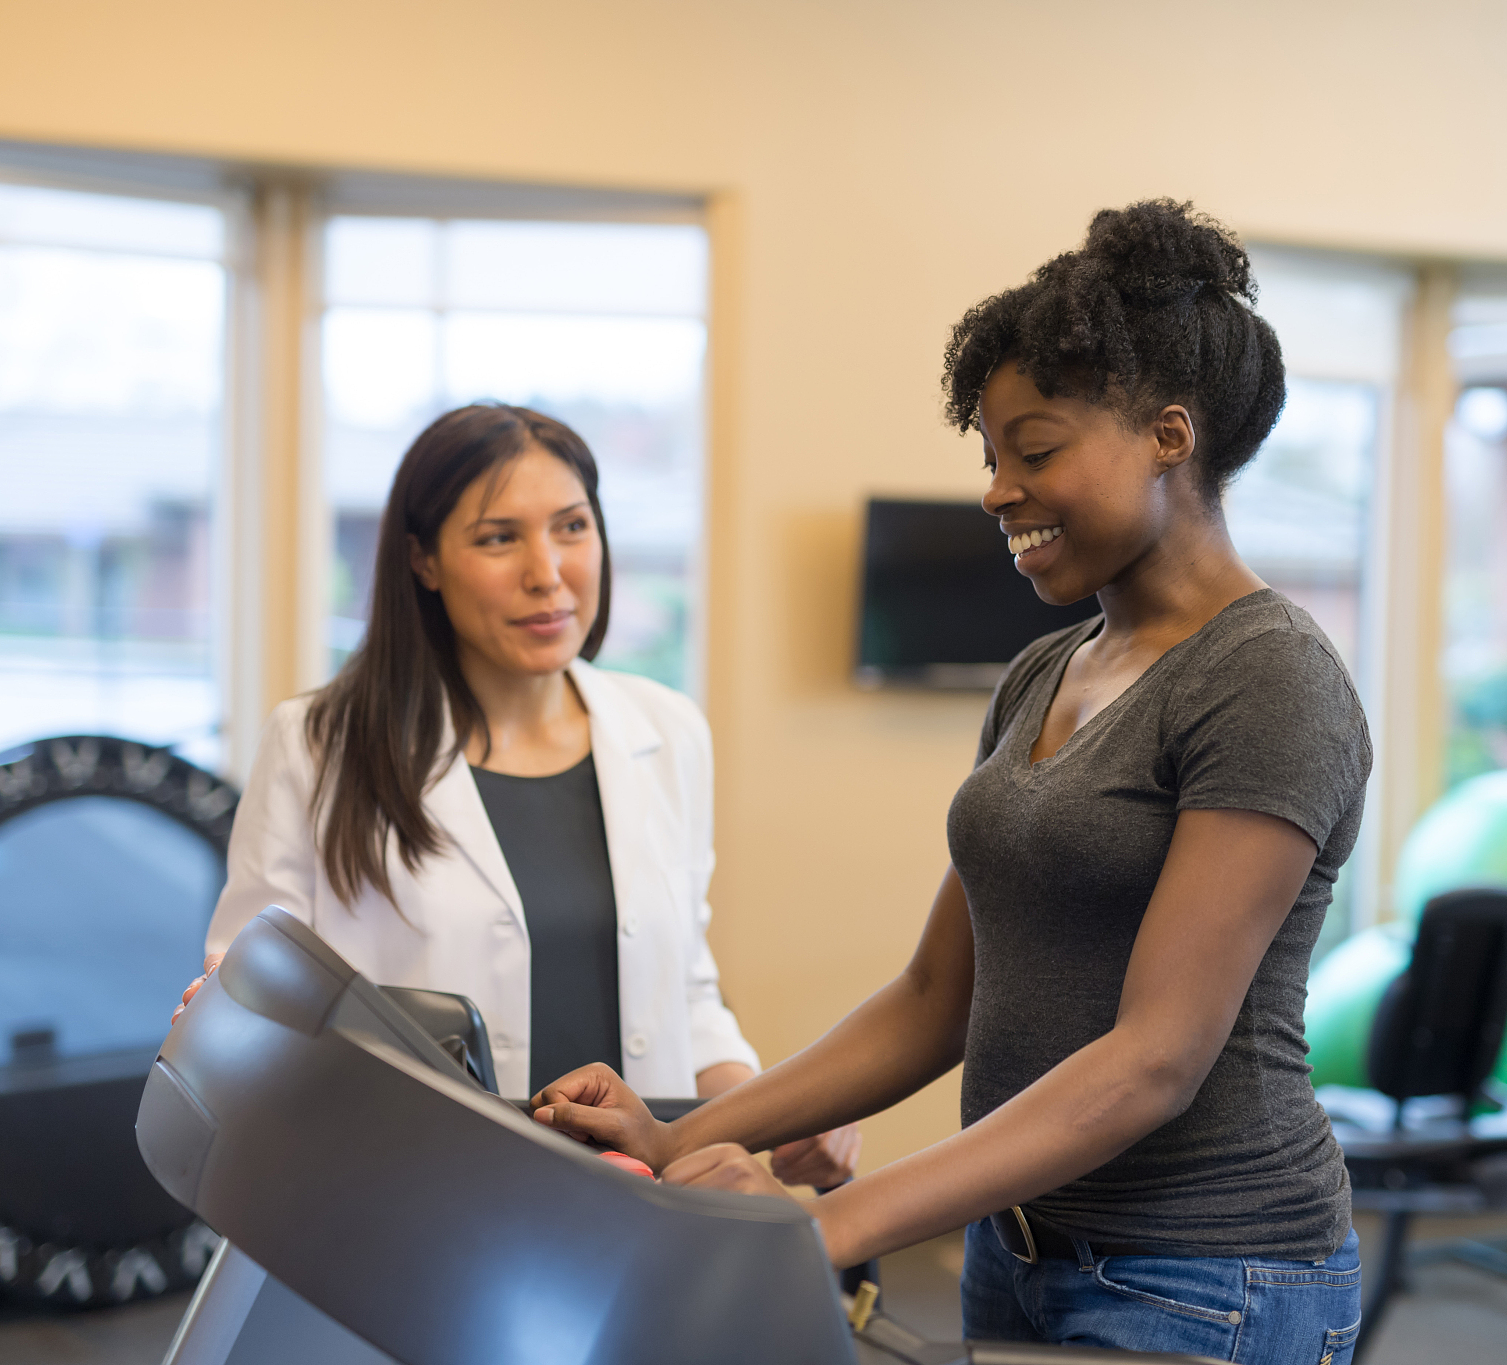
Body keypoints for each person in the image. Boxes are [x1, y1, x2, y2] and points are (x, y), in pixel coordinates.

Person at [532, 201, 1372, 1362]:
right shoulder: (1043, 671)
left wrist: (824, 1228)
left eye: (1035, 451)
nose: (995, 491)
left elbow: (1153, 1059)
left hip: (1205, 1273)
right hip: (1016, 1254)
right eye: (990, 457)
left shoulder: (1267, 680)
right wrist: (682, 1140)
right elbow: (935, 995)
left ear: (1169, 436)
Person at [180, 403, 857, 1189]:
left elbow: (688, 992)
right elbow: (253, 989)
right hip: (414, 1198)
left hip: (636, 1200)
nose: (548, 572)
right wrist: (226, 1017)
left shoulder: (668, 732)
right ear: (423, 560)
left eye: (572, 527)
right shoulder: (319, 743)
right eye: (498, 537)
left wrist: (771, 1116)